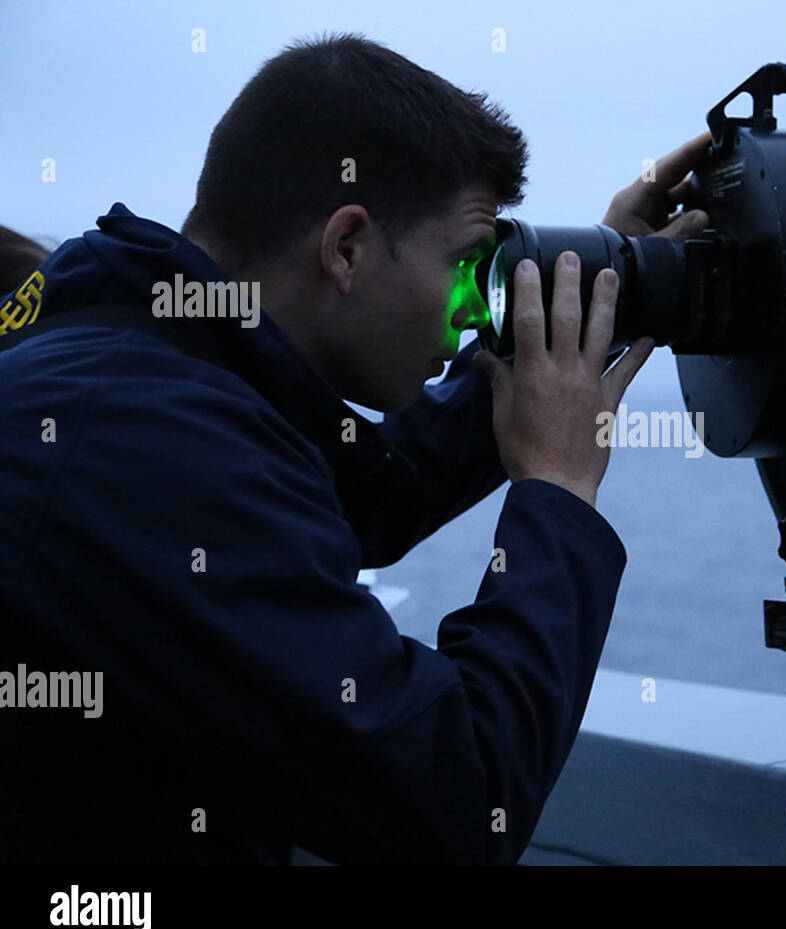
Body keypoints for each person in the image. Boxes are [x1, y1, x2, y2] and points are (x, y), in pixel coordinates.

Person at [0, 32, 709, 865]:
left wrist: (575, 291)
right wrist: (555, 489)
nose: (471, 312)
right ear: (346, 247)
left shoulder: (138, 352)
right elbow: (460, 795)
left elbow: (360, 494)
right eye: (465, 265)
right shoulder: (139, 443)